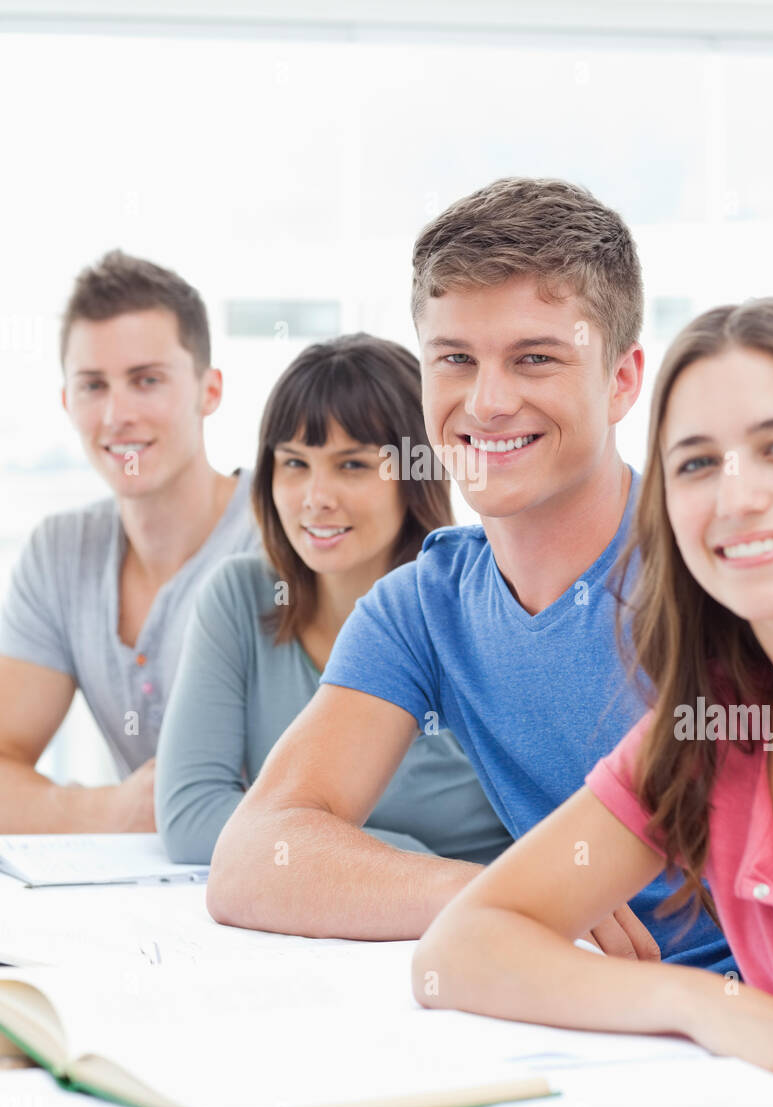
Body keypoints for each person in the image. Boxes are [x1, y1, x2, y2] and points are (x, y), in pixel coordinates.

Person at [207, 176, 732, 973]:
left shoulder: (717, 567)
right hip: (588, 1016)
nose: (486, 403)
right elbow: (252, 857)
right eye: (455, 358)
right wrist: (502, 899)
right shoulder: (424, 605)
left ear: (623, 379)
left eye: (535, 358)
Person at [412, 296, 773, 1107]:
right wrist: (702, 1003)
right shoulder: (714, 732)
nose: (738, 497)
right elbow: (466, 948)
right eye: (695, 463)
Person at [155, 334, 512, 867]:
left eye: (352, 465)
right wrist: (402, 860)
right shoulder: (240, 598)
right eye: (294, 463)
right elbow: (192, 815)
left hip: (475, 929)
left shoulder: (485, 611)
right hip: (337, 925)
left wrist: (313, 845)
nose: (315, 498)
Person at [0, 250, 258, 832]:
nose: (118, 414)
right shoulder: (59, 553)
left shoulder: (287, 533)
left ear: (209, 390)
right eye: (93, 386)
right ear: (68, 402)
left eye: (147, 381)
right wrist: (109, 809)